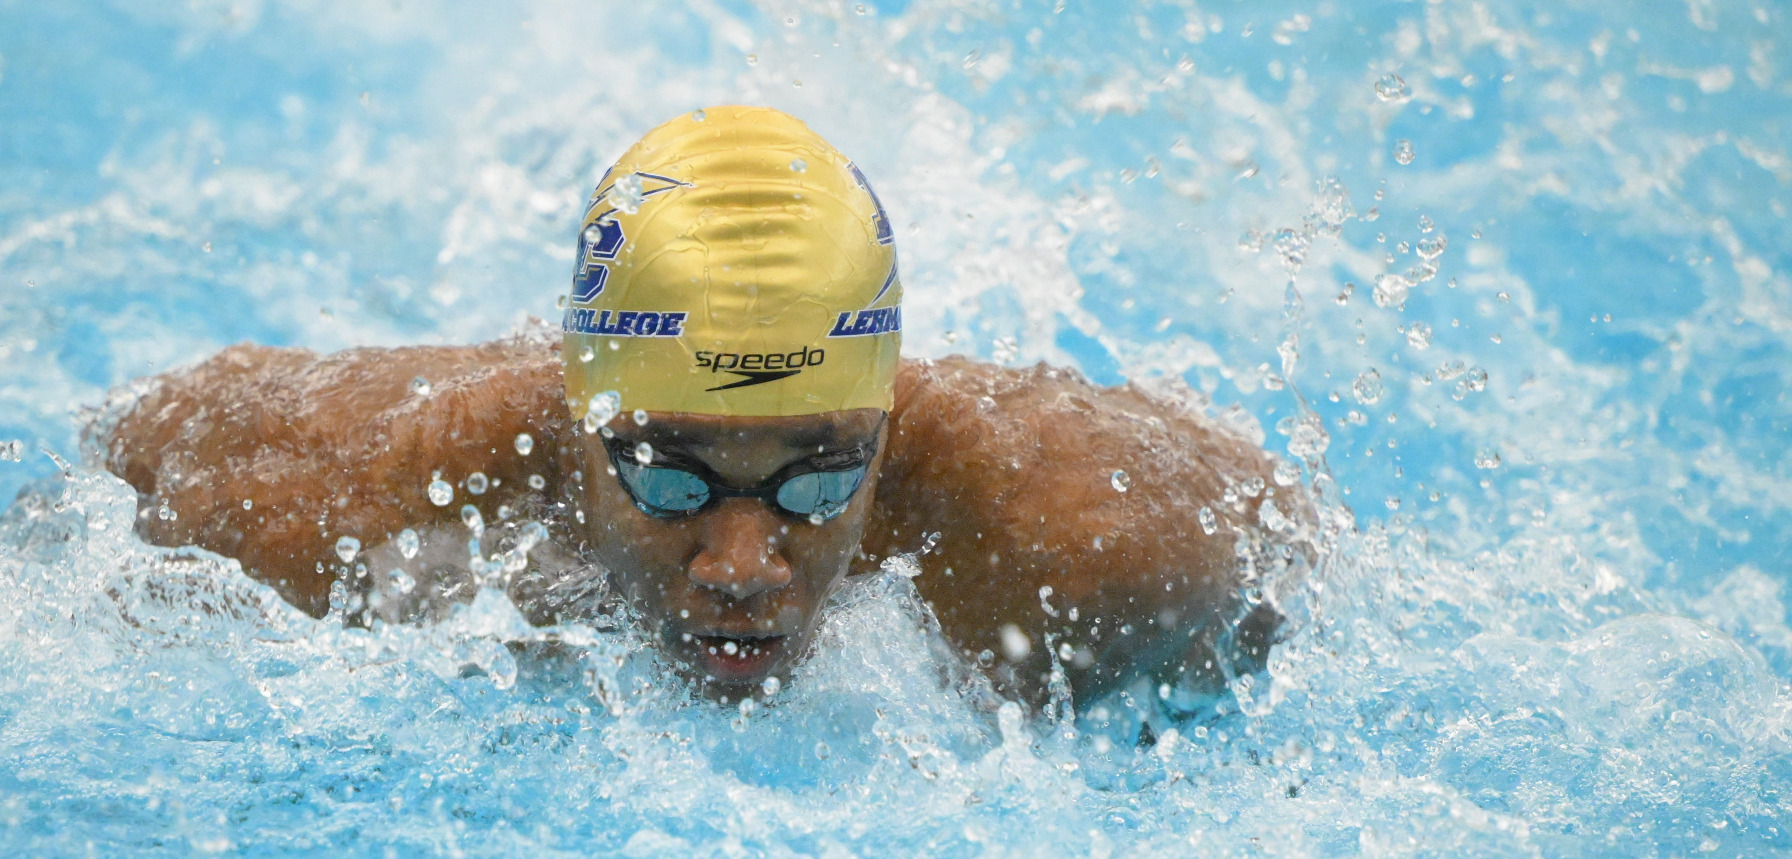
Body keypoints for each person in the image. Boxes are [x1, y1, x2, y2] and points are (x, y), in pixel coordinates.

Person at [102, 105, 1305, 708]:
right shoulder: (348, 495)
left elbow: (1289, 551)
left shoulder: (1068, 546)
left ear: (885, 439)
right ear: (578, 428)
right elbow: (125, 456)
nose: (742, 562)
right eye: (668, 476)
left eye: (819, 479)